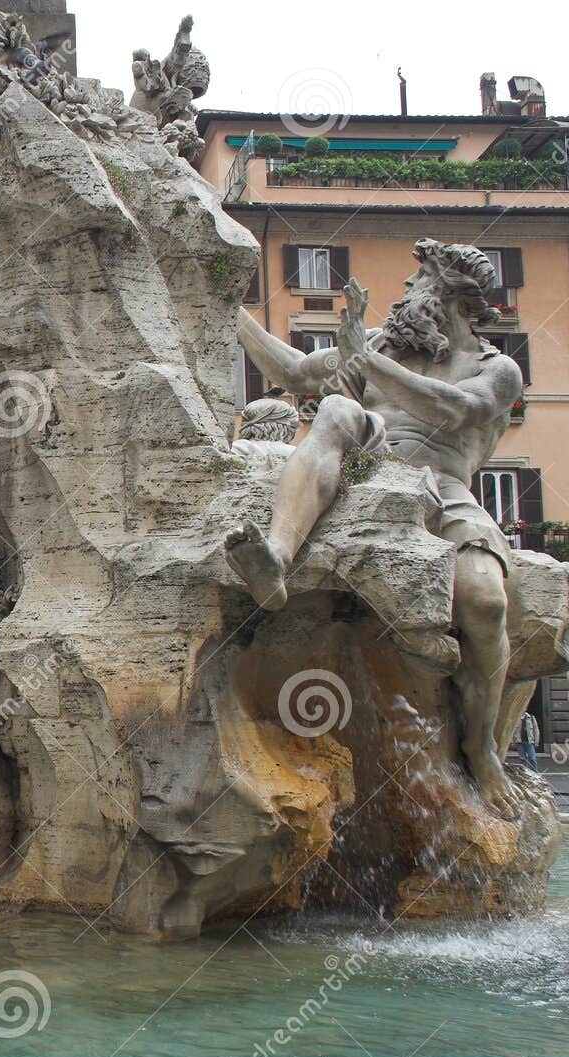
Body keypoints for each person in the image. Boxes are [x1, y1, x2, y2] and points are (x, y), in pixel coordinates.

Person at [226, 240, 523, 808]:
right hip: (374, 465)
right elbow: (291, 369)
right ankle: (276, 559)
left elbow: (456, 410)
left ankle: (481, 747)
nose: (404, 296)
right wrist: (226, 304)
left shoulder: (494, 368)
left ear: (449, 298)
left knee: (485, 601)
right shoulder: (380, 347)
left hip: (446, 487)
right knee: (336, 410)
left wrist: (367, 358)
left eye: (416, 286)